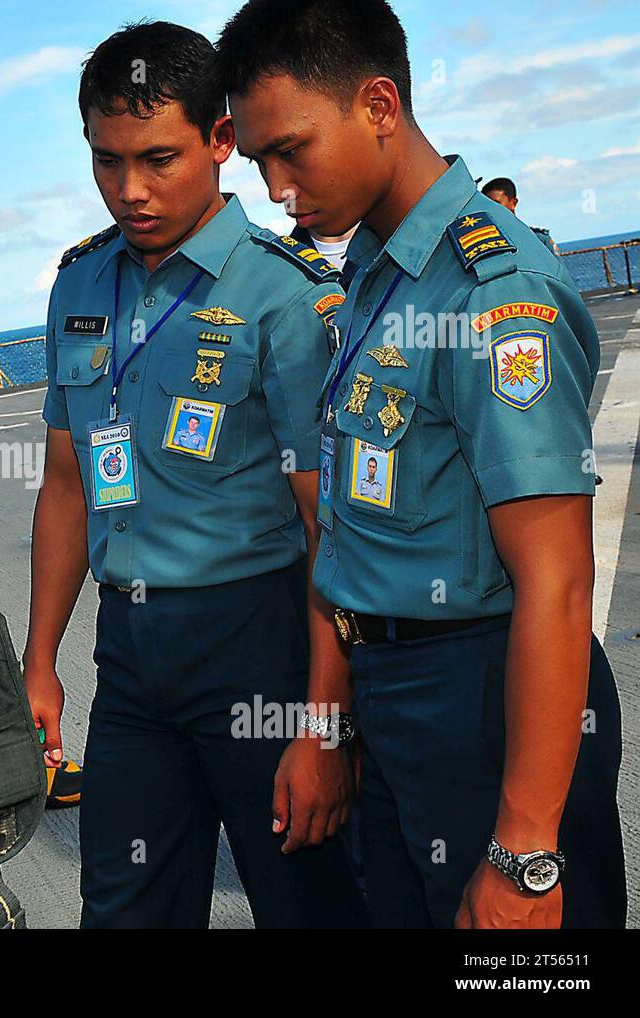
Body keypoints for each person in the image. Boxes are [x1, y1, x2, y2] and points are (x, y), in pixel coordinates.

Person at [219, 0, 626, 928]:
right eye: (259, 164)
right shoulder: (372, 271)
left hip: (485, 698)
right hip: (391, 693)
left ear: (378, 105)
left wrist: (525, 849)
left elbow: (557, 583)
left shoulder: (493, 290)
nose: (277, 188)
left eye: (291, 150)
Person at [24, 20, 366, 928]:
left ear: (222, 141)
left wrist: (324, 726)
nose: (129, 191)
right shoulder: (78, 286)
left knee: (307, 900)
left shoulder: (285, 292)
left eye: (159, 158)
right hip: (131, 658)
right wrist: (40, 663)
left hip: (259, 640)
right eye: (106, 161)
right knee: (124, 902)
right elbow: (66, 485)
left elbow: (325, 522)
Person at [481, 177, 559, 255]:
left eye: (496, 203)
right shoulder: (483, 245)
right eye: (487, 205)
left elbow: (558, 266)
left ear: (513, 203)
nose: (491, 209)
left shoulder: (538, 240)